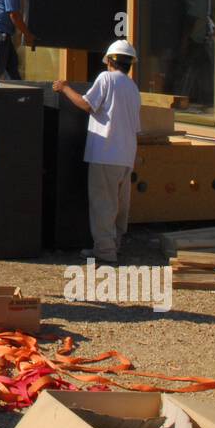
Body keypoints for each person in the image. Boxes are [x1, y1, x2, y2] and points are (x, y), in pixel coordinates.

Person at [52, 40, 141, 264]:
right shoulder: (132, 87)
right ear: (130, 63)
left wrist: (64, 87)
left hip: (105, 153)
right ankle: (115, 246)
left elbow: (86, 104)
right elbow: (135, 126)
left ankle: (105, 252)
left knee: (103, 205)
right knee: (120, 207)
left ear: (110, 60)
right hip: (126, 156)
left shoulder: (106, 78)